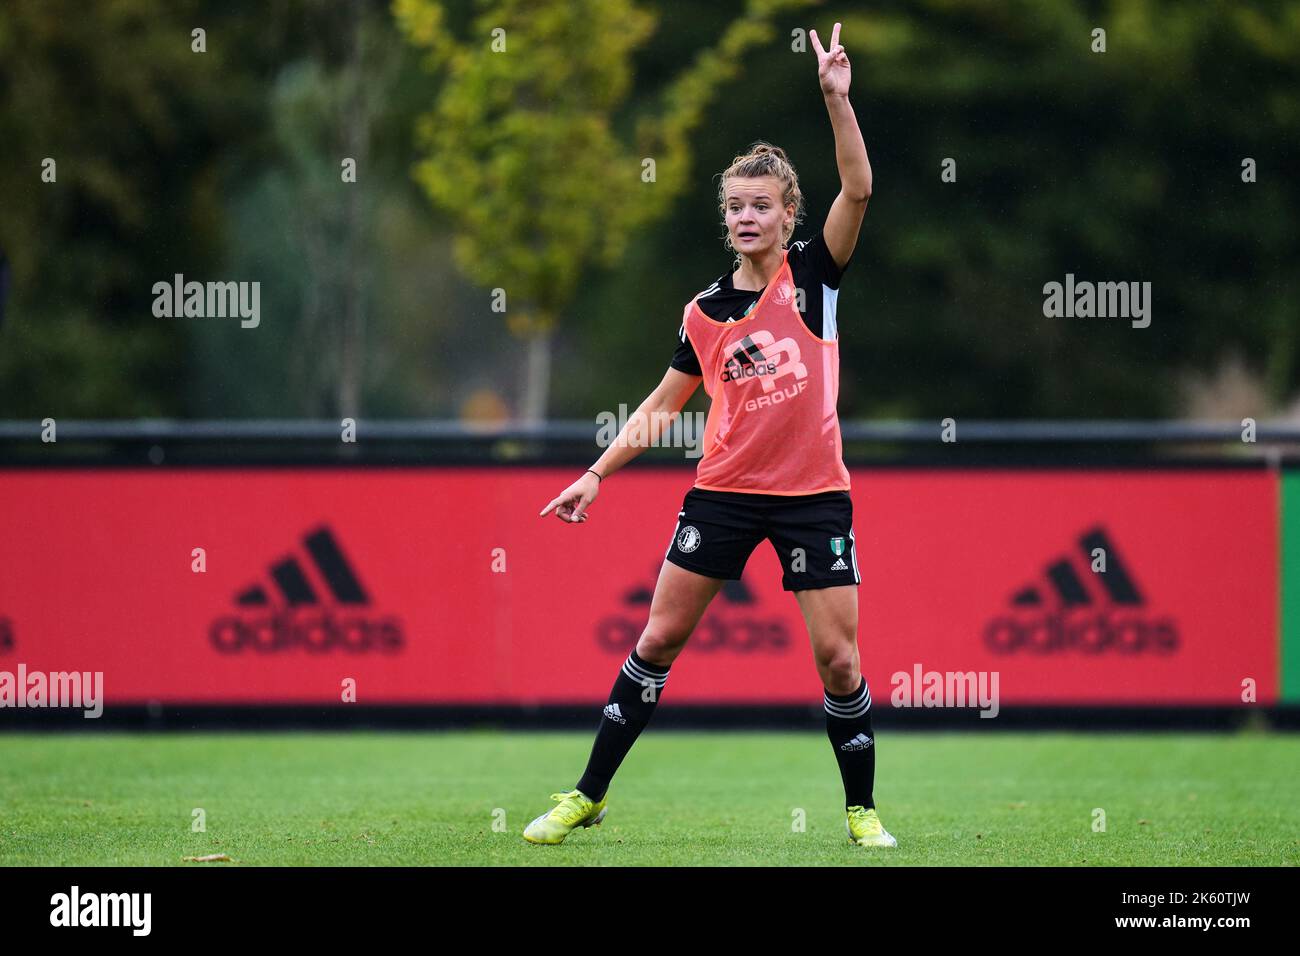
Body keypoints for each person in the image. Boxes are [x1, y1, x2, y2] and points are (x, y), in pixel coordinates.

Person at [530, 22, 893, 848]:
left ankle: (861, 811)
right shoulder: (704, 312)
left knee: (839, 663)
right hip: (723, 495)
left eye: (761, 205)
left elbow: (862, 188)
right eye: (734, 206)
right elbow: (662, 407)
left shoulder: (815, 275)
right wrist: (596, 474)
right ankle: (587, 794)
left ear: (788, 213)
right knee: (657, 638)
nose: (745, 217)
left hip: (814, 498)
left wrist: (837, 99)